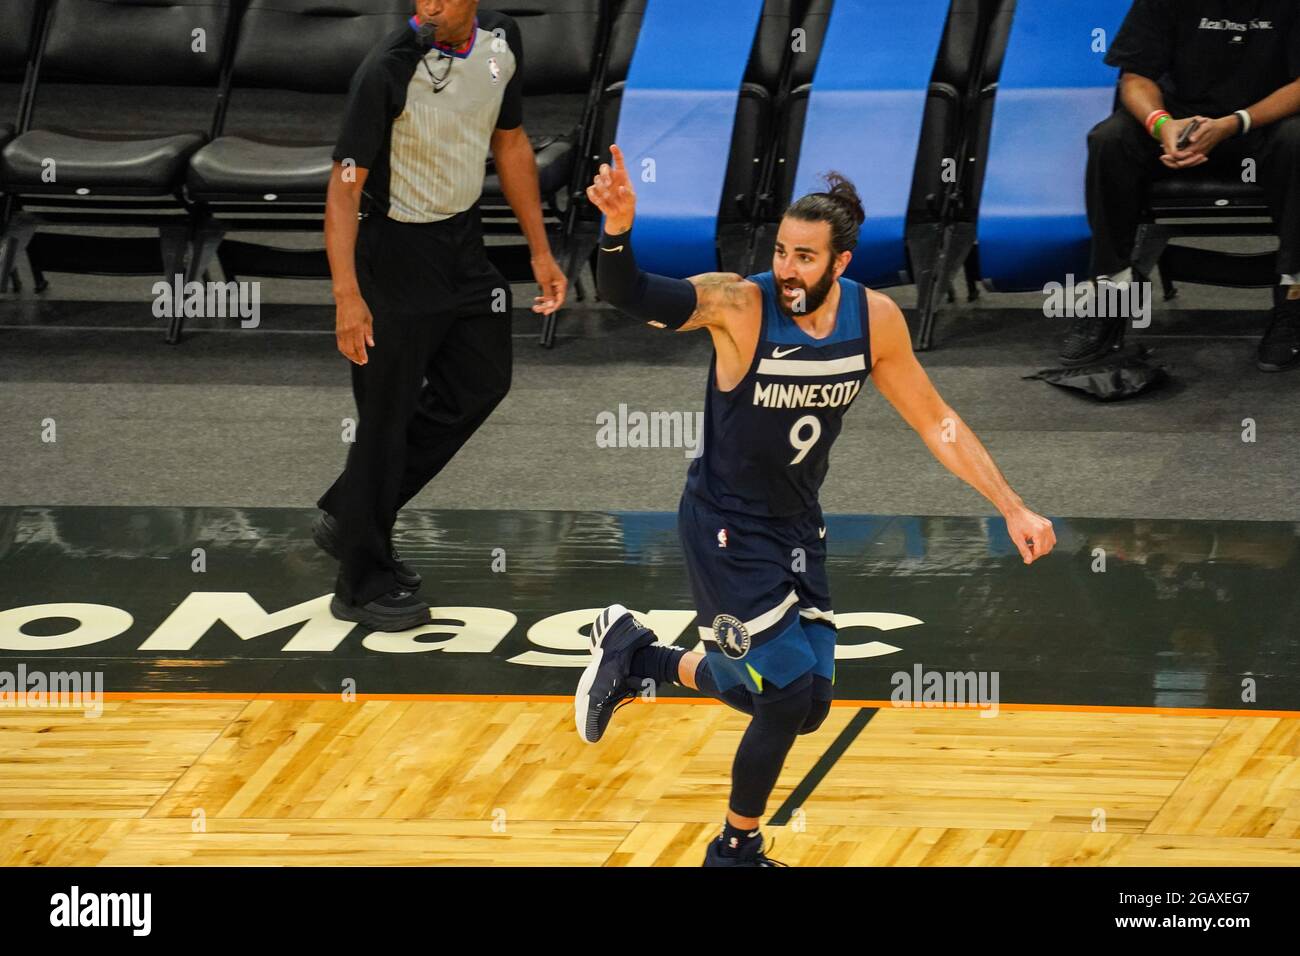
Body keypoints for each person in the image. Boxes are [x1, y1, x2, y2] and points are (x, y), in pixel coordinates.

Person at [575, 145, 1056, 867]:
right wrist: (616, 233)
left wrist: (1012, 505)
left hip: (799, 525)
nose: (789, 268)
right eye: (781, 251)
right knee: (785, 694)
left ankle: (643, 657)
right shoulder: (740, 304)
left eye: (805, 256)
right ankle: (734, 849)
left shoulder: (875, 321)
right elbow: (633, 294)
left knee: (807, 707)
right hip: (726, 525)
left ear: (843, 260)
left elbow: (936, 421)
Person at [315, 0, 567, 631]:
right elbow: (344, 189)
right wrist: (348, 294)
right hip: (390, 252)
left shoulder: (503, 42)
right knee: (384, 417)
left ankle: (354, 510)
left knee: (483, 380)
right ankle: (360, 583)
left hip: (461, 243)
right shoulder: (385, 69)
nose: (427, 6)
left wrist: (540, 249)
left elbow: (509, 143)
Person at [1064, 0, 1300, 371]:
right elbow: (1135, 76)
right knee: (1109, 141)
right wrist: (1162, 126)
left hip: (1264, 122)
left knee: (1298, 140)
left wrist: (1234, 123)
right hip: (1180, 124)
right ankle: (1110, 295)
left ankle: (1293, 301)